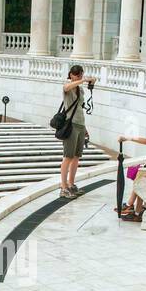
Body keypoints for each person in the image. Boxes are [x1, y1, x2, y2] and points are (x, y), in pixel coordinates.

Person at [58, 65, 95, 198]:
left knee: (76, 157)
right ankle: (63, 187)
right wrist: (82, 81)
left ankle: (71, 184)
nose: (78, 77)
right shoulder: (68, 86)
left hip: (80, 124)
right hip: (70, 125)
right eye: (76, 75)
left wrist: (85, 128)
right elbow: (66, 88)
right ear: (71, 75)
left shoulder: (80, 89)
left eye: (80, 75)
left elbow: (79, 108)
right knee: (68, 156)